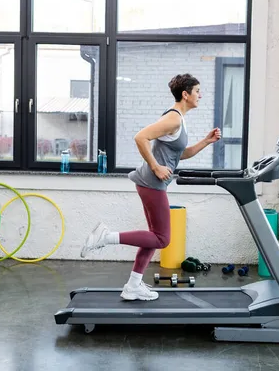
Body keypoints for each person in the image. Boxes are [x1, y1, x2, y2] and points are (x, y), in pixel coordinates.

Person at [80, 73, 221, 301]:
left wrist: (206, 141)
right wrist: (156, 167)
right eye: (197, 91)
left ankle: (133, 286)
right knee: (162, 239)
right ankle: (106, 237)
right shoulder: (174, 119)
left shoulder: (178, 119)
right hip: (152, 183)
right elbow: (140, 137)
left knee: (152, 236)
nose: (200, 95)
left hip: (151, 183)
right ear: (185, 95)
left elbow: (180, 154)